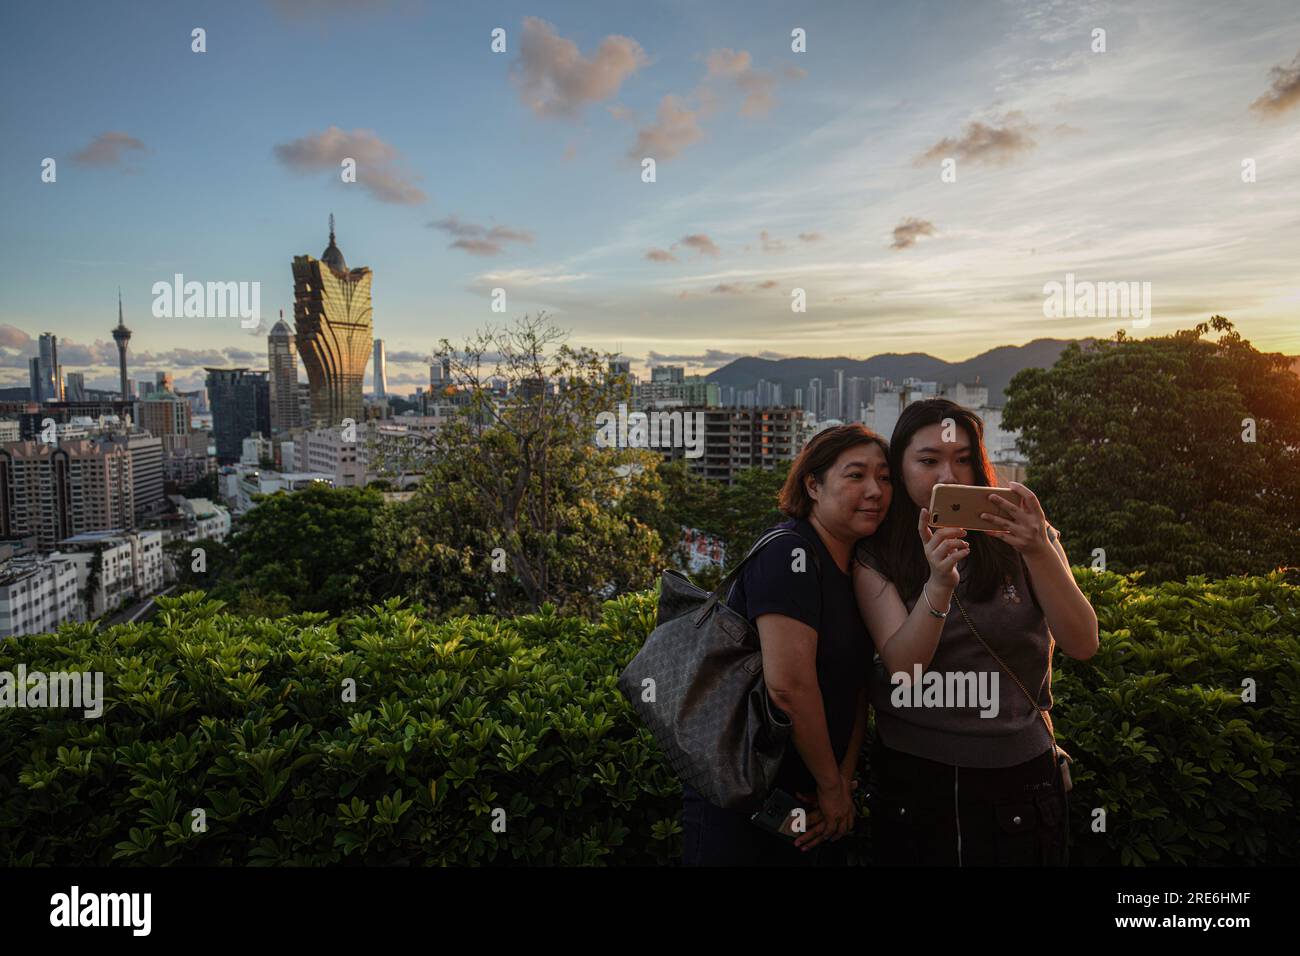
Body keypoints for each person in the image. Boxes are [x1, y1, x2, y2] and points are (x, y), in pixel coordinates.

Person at [853, 398, 1098, 866]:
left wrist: (1038, 549)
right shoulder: (879, 554)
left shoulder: (1023, 535)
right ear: (900, 468)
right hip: (914, 779)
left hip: (1019, 779)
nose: (949, 475)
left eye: (963, 459)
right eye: (928, 461)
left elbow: (1083, 642)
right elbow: (904, 668)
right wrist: (939, 586)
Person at [682, 424, 891, 866]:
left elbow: (856, 688)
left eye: (884, 477)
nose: (875, 490)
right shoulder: (789, 555)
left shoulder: (857, 571)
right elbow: (789, 687)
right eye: (855, 476)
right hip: (748, 794)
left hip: (814, 796)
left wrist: (839, 783)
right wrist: (832, 789)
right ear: (813, 485)